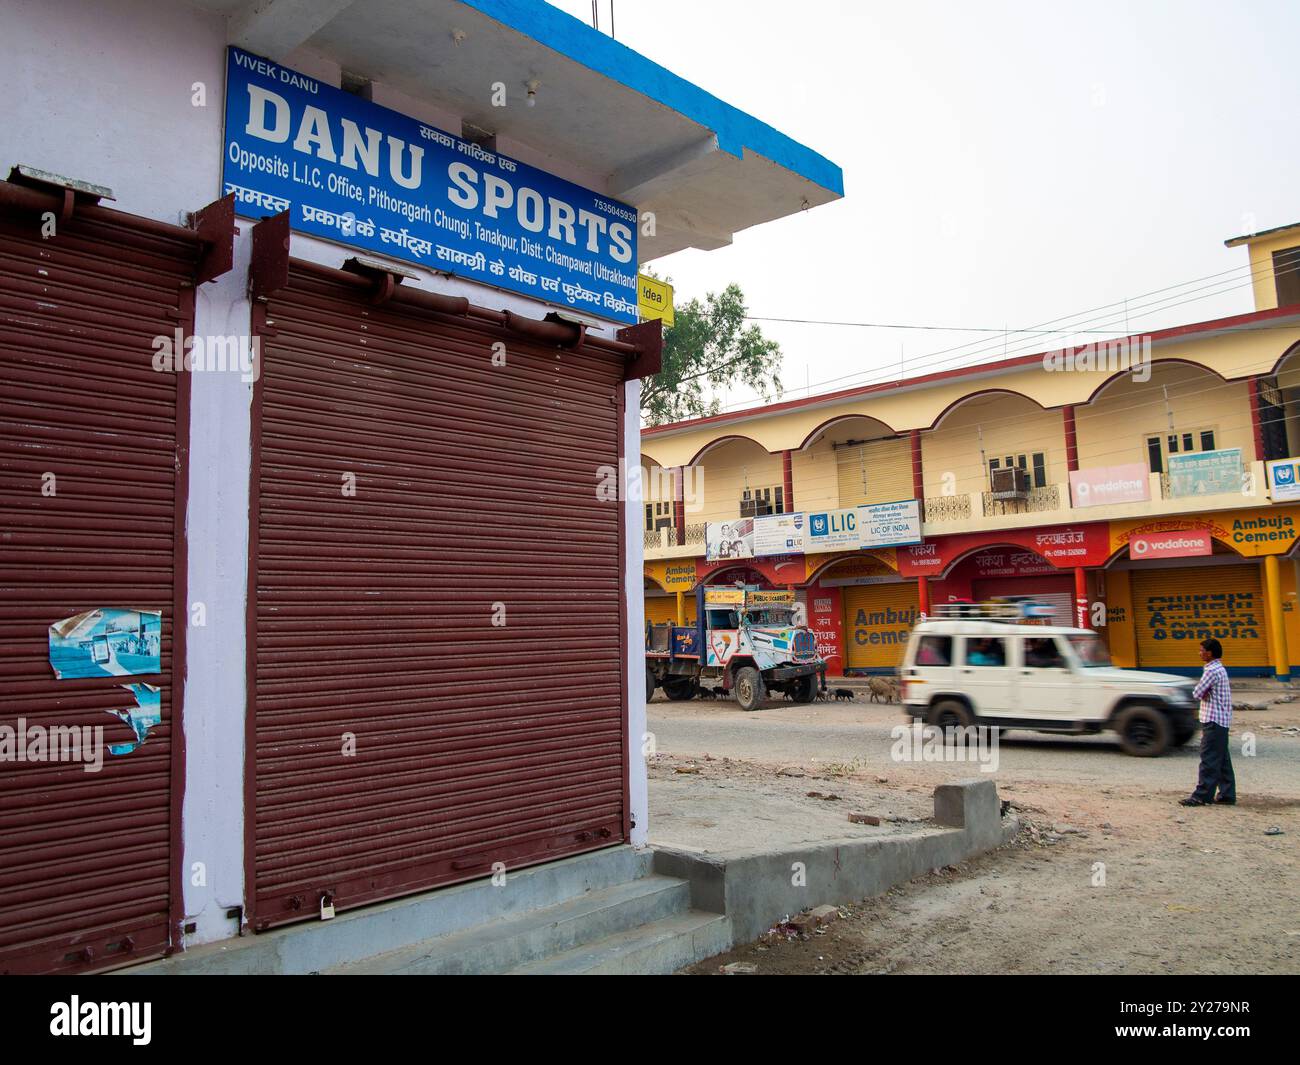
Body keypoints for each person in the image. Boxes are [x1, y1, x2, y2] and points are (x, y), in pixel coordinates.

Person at [1180, 638, 1236, 807]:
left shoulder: (1211, 671)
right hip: (1222, 720)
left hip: (1212, 720)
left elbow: (1197, 693)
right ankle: (1227, 794)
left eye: (1201, 650)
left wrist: (1203, 692)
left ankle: (1202, 795)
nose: (1200, 653)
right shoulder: (1220, 669)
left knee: (1209, 759)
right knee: (1222, 759)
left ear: (1209, 653)